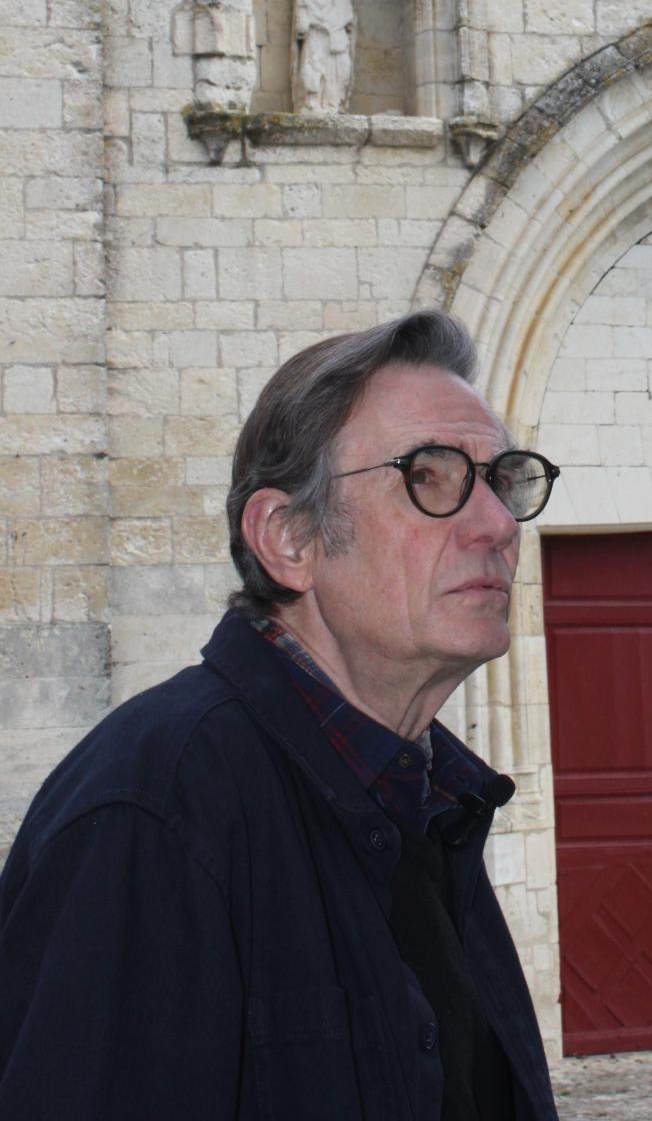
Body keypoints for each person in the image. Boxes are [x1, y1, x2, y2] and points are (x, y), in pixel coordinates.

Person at [0, 311, 561, 1121]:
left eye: (503, 480)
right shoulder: (154, 811)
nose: (501, 525)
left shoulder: (433, 798)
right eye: (430, 477)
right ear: (288, 537)